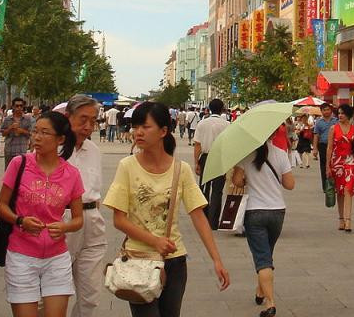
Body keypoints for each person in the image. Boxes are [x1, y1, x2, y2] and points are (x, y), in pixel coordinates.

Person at [104, 102, 229, 317]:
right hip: (138, 259)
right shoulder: (127, 166)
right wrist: (155, 241)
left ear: (163, 131)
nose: (138, 132)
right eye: (135, 127)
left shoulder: (181, 169)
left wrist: (216, 259)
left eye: (145, 126)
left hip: (175, 261)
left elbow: (198, 215)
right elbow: (119, 220)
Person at [0, 111, 85, 317]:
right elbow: (1, 206)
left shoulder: (72, 174)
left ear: (60, 139)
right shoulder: (19, 164)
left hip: (57, 258)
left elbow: (78, 219)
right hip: (21, 256)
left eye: (44, 133)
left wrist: (64, 227)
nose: (36, 137)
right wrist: (20, 220)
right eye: (35, 131)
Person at [232, 127, 294, 317]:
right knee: (266, 253)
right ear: (274, 134)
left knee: (262, 258)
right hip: (277, 212)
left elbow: (237, 182)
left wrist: (240, 171)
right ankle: (260, 291)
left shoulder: (245, 156)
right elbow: (290, 185)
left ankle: (270, 303)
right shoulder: (281, 154)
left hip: (255, 212)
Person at [64, 95, 106, 317]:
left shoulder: (94, 150)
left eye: (93, 121)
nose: (88, 127)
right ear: (67, 117)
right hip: (63, 221)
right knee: (54, 293)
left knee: (91, 295)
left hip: (92, 221)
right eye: (82, 120)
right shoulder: (53, 150)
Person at [192, 98, 229, 230]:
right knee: (217, 190)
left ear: (209, 108)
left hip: (206, 157)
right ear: (222, 108)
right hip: (219, 158)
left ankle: (203, 219)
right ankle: (214, 221)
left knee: (204, 188)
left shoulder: (202, 123)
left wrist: (196, 162)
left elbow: (197, 145)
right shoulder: (226, 124)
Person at [327, 103, 354, 232]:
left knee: (348, 189)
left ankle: (348, 220)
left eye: (343, 113)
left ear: (348, 115)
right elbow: (329, 148)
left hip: (350, 161)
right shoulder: (333, 128)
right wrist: (328, 166)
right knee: (340, 191)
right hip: (337, 162)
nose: (340, 115)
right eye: (339, 113)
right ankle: (341, 219)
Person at [2, 98, 34, 170]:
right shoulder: (7, 119)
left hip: (21, 150)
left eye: (21, 106)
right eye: (17, 106)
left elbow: (31, 133)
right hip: (9, 150)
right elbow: (3, 133)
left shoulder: (28, 119)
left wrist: (22, 131)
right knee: (9, 172)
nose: (19, 108)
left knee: (21, 173)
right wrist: (10, 128)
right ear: (13, 106)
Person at [312, 102, 337, 193]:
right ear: (321, 111)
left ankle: (335, 185)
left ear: (331, 110)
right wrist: (315, 148)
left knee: (334, 165)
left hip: (334, 145)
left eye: (328, 110)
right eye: (324, 110)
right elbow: (316, 136)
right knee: (324, 166)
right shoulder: (318, 122)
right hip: (323, 145)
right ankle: (326, 186)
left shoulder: (336, 121)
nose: (326, 112)